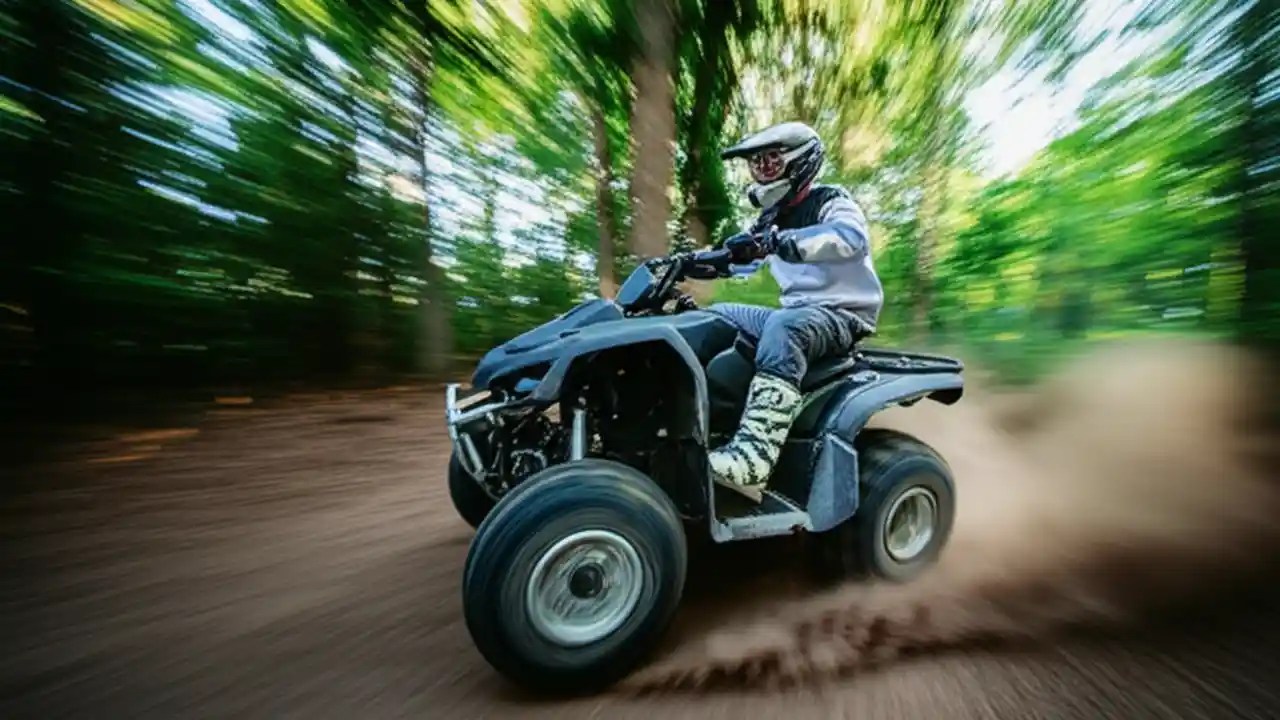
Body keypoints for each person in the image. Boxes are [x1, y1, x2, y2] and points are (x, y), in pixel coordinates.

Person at [706, 121, 883, 502]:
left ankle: (752, 462)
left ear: (799, 161)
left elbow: (850, 240)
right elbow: (742, 262)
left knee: (785, 327)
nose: (761, 171)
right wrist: (697, 262)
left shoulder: (831, 200)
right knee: (715, 315)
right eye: (756, 164)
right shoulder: (769, 219)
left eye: (770, 161)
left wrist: (778, 242)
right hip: (799, 311)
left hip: (842, 314)